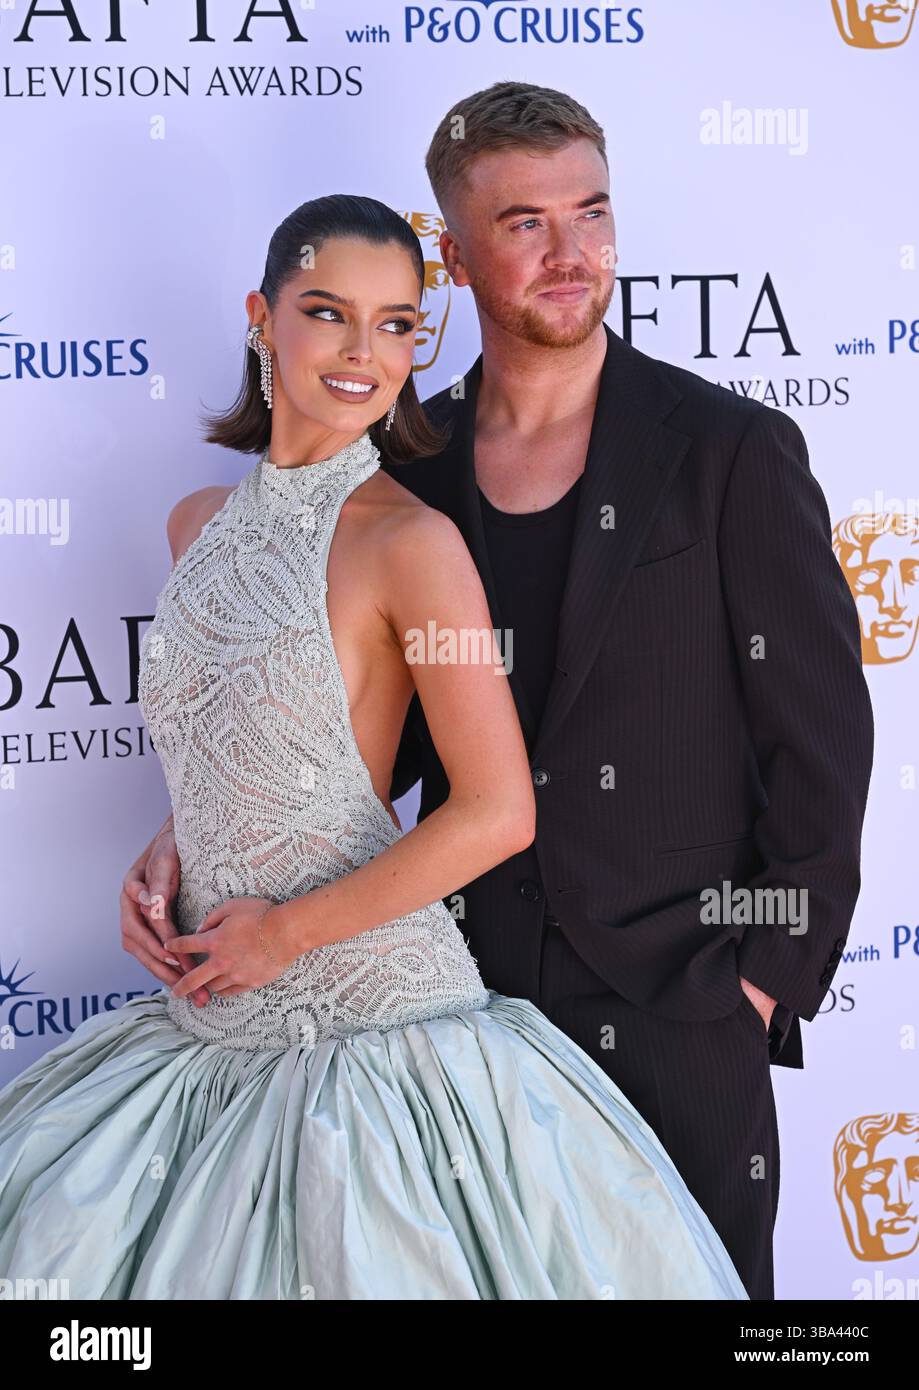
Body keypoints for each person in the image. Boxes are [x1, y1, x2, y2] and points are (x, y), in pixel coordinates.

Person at [130, 81, 875, 1301]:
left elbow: (822, 744)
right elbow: (355, 729)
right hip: (463, 993)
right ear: (458, 263)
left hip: (684, 996)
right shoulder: (406, 467)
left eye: (590, 212)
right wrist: (190, 831)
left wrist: (756, 985)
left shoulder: (727, 449)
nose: (572, 253)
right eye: (526, 223)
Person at [0, 193, 748, 1300]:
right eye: (327, 312)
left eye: (398, 324)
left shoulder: (411, 542)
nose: (364, 352)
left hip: (373, 1038)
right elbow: (255, 731)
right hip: (209, 1020)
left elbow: (499, 810)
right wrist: (170, 846)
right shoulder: (196, 524)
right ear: (262, 317)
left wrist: (285, 932)